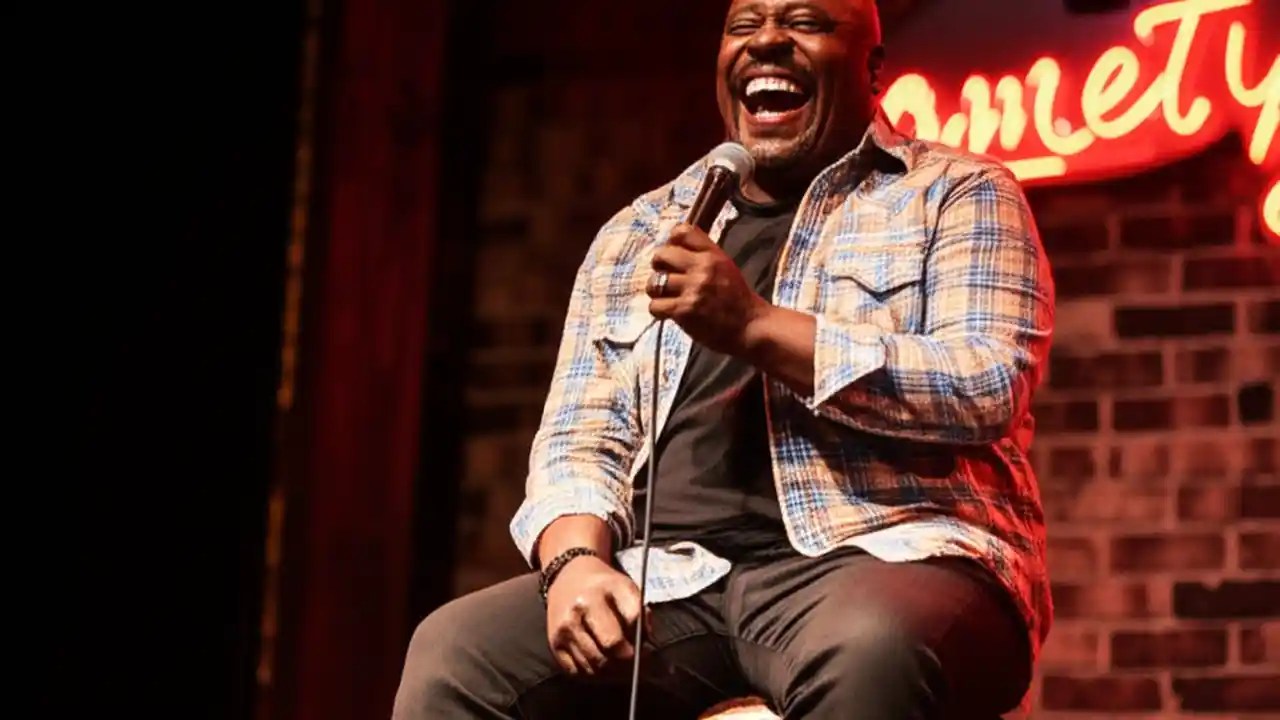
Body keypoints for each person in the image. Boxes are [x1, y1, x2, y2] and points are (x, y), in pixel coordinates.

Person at [393, 0, 1055, 717]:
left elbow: (986, 382)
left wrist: (755, 327)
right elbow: (578, 441)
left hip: (886, 558)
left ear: (872, 69)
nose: (767, 40)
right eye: (744, 26)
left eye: (804, 22)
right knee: (453, 654)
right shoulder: (642, 229)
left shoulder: (954, 193)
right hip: (676, 583)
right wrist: (574, 563)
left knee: (870, 650)